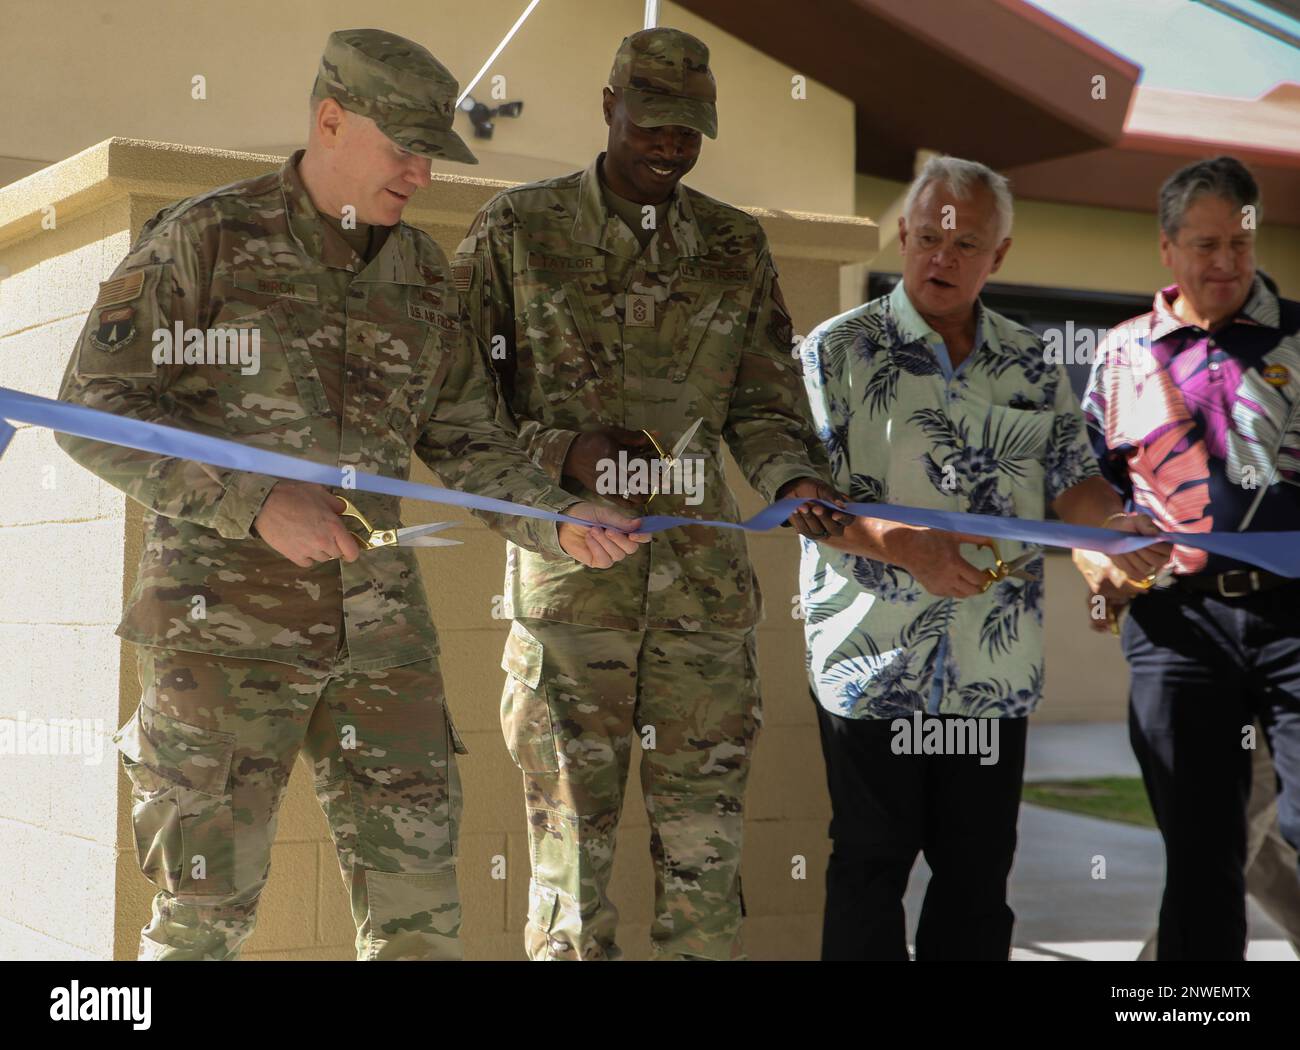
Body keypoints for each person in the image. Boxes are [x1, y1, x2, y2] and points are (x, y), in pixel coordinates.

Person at [54, 27, 646, 961]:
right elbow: (92, 411)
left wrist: (557, 519)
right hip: (219, 639)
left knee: (422, 923)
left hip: (381, 638)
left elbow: (468, 440)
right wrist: (253, 502)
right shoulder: (207, 239)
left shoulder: (422, 276)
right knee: (201, 922)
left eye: (431, 152)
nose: (419, 173)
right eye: (402, 147)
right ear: (330, 121)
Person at [455, 26, 845, 960]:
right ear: (608, 107)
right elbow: (459, 408)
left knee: (706, 866)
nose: (671, 146)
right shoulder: (519, 230)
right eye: (654, 124)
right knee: (569, 874)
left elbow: (763, 398)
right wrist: (568, 450)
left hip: (701, 606)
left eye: (691, 130)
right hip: (570, 603)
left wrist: (793, 477)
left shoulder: (733, 244)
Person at [799, 154, 1169, 961]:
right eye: (930, 236)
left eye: (968, 243)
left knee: (976, 883)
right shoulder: (837, 351)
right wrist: (899, 546)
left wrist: (1114, 531)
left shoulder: (1032, 363)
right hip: (873, 663)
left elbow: (1074, 479)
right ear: (904, 235)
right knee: (869, 871)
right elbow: (806, 501)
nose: (944, 255)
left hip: (989, 675)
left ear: (999, 256)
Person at [1076, 155, 1300, 960]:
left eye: (1239, 243)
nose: (1225, 263)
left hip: (1292, 617)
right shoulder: (1119, 354)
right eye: (1204, 245)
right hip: (1178, 626)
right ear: (1167, 249)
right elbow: (1084, 487)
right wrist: (1096, 565)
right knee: (1201, 855)